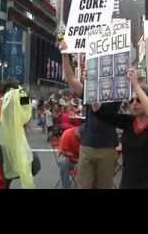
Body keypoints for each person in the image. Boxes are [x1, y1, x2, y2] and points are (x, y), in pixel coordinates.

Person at [92, 68, 148, 189]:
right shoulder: (129, 121)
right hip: (129, 183)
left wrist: (136, 86)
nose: (134, 103)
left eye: (139, 100)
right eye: (131, 100)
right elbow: (100, 113)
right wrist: (91, 85)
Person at [60, 41, 118, 189]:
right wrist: (65, 54)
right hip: (87, 146)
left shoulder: (117, 93)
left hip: (107, 148)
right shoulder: (89, 90)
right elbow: (70, 78)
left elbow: (99, 108)